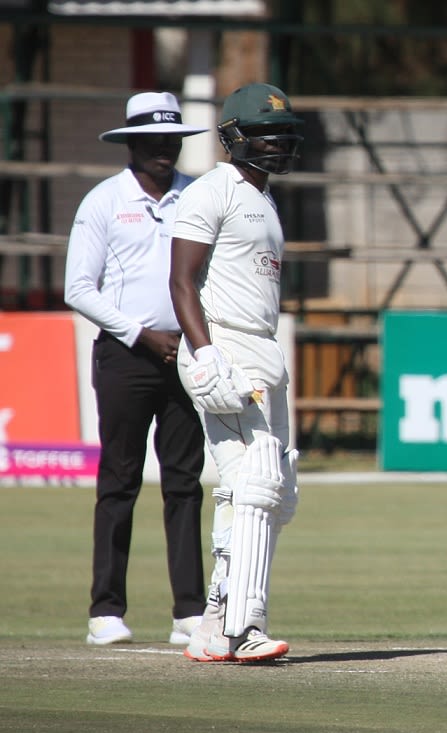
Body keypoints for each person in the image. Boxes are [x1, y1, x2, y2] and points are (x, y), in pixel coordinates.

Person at [65, 92, 210, 647]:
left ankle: (190, 612)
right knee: (119, 481)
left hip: (186, 354)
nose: (163, 151)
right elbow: (78, 287)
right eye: (152, 141)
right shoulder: (104, 201)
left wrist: (193, 339)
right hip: (126, 356)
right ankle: (106, 611)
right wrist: (141, 334)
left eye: (171, 141)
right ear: (130, 143)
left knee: (184, 483)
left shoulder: (195, 198)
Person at [169, 82, 304, 663]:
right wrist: (204, 355)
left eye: (282, 135)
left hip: (262, 349)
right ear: (232, 138)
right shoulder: (211, 190)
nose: (274, 146)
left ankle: (212, 625)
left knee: (274, 491)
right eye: (263, 135)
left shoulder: (266, 199)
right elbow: (181, 281)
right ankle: (243, 628)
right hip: (223, 344)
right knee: (255, 484)